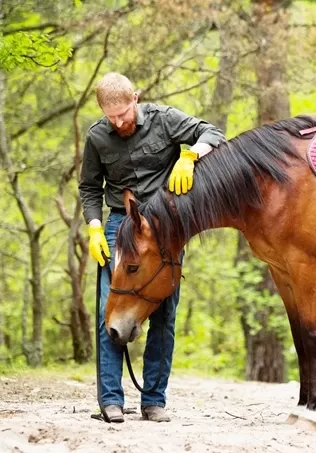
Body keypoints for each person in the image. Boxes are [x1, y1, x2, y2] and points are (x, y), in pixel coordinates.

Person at [78, 72, 225, 423]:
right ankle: (111, 401)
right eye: (110, 116)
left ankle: (154, 401)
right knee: (109, 310)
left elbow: (213, 133)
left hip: (165, 226)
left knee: (165, 314)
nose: (119, 122)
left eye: (124, 114)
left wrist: (190, 156)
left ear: (136, 98)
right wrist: (95, 228)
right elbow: (88, 188)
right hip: (118, 226)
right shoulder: (97, 136)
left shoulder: (165, 120)